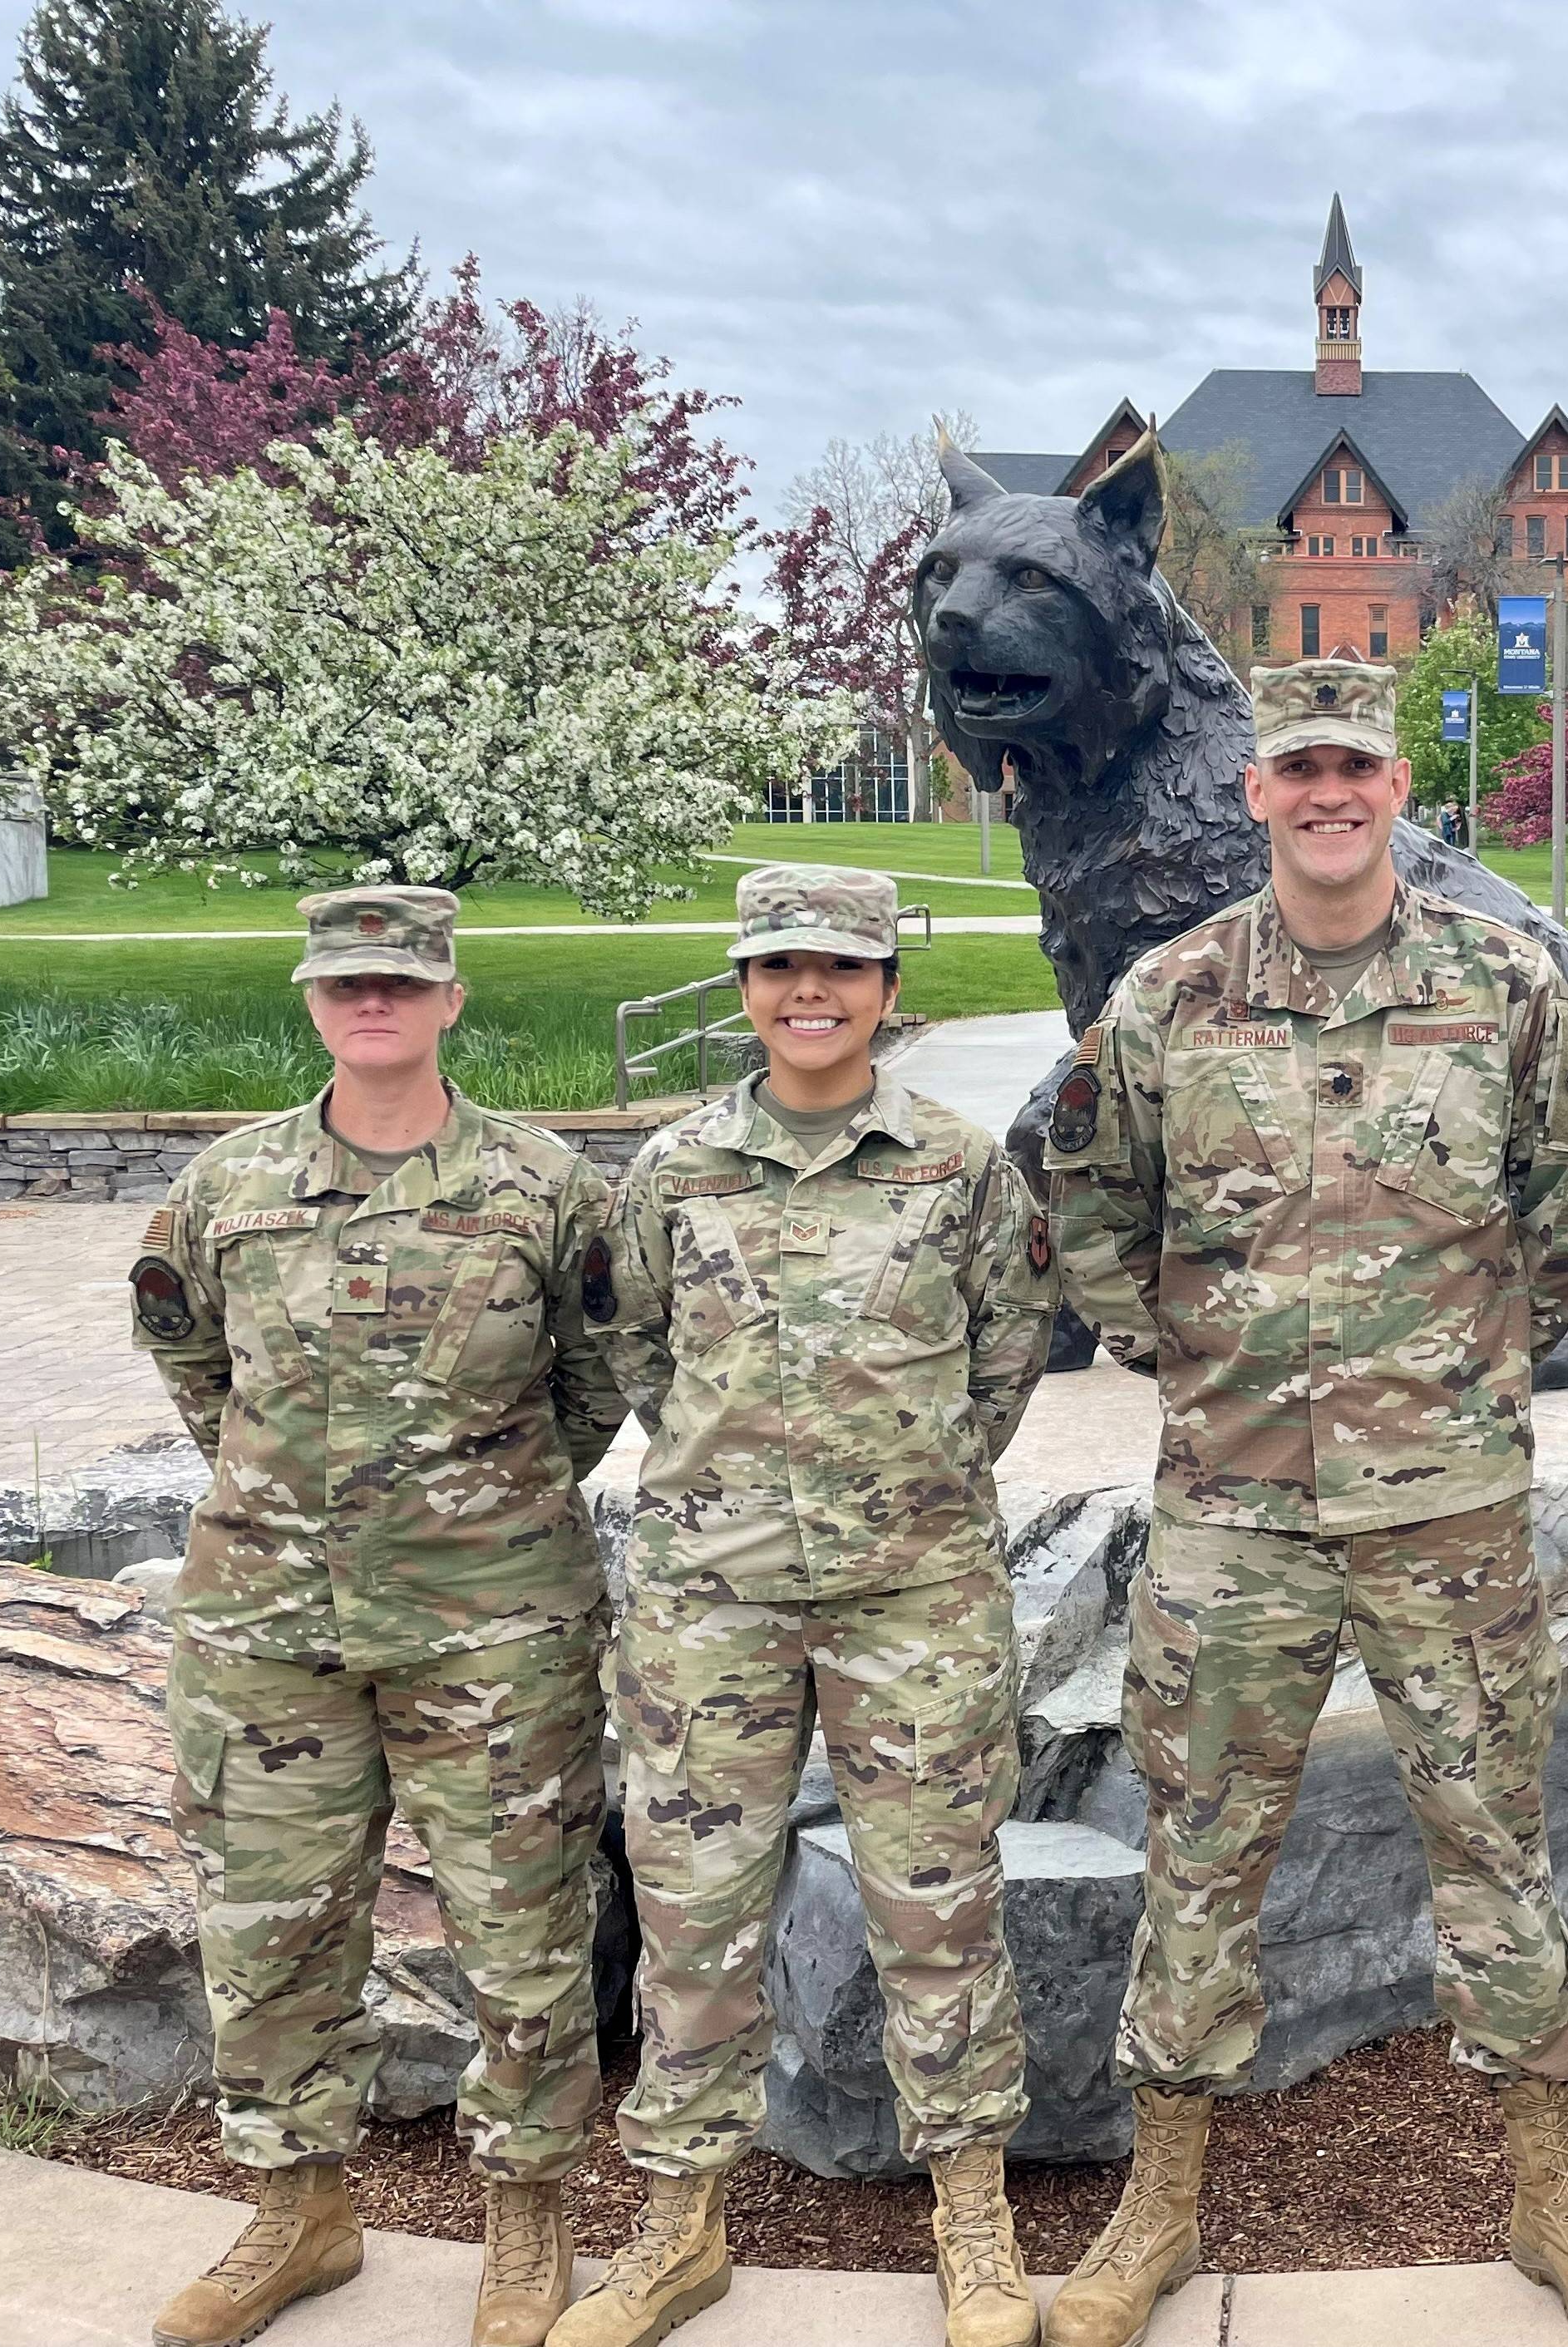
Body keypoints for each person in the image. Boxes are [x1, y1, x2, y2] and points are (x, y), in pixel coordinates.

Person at [1043, 656, 1568, 2347]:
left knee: (1495, 1843)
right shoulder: (1169, 996)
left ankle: (1552, 2192)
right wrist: (1191, 1356)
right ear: (1256, 789)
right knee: (1197, 1848)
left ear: (1398, 789)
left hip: (1444, 1510)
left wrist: (1464, 1369)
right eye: (1299, 769)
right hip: (1233, 1510)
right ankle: (1159, 2202)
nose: (1328, 794)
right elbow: (1089, 1204)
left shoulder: (1504, 985)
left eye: (1356, 770)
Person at [558, 867, 1058, 2347]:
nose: (810, 991)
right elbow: (642, 1360)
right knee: (694, 1911)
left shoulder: (960, 1167)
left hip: (916, 1597)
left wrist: (903, 1486)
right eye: (780, 966)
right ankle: (679, 2221)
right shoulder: (673, 1171)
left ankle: (971, 2209)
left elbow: (1007, 1356)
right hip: (714, 1603)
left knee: (939, 1908)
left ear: (888, 989)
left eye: (840, 966)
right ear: (746, 988)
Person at [131, 886, 628, 2347]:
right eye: (346, 982)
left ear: (449, 1000)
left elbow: (598, 1383)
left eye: (400, 984)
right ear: (311, 999)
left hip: (494, 1630)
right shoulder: (227, 1188)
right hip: (268, 1629)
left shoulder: (546, 1187)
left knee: (523, 1929)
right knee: (269, 1927)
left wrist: (473, 1508)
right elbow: (192, 1361)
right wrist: (301, 1500)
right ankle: (300, 2210)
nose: (373, 1003)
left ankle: (528, 2215)